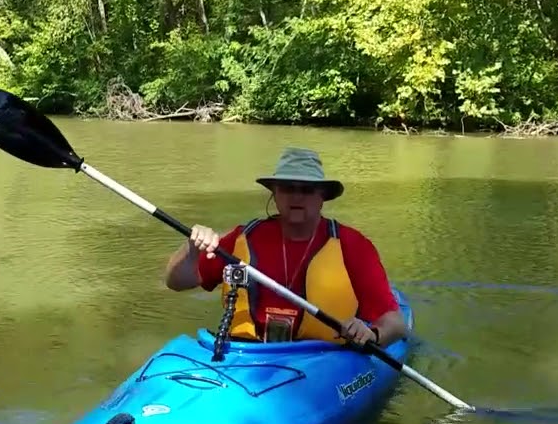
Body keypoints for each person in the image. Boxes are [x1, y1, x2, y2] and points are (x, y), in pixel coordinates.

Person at [164, 146, 408, 348]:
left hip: (325, 359)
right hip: (248, 354)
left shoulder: (353, 245)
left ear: (322, 196)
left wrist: (372, 335)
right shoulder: (244, 238)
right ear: (275, 194)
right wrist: (192, 248)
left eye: (306, 189)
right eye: (288, 188)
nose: (296, 197)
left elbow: (395, 324)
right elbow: (176, 282)